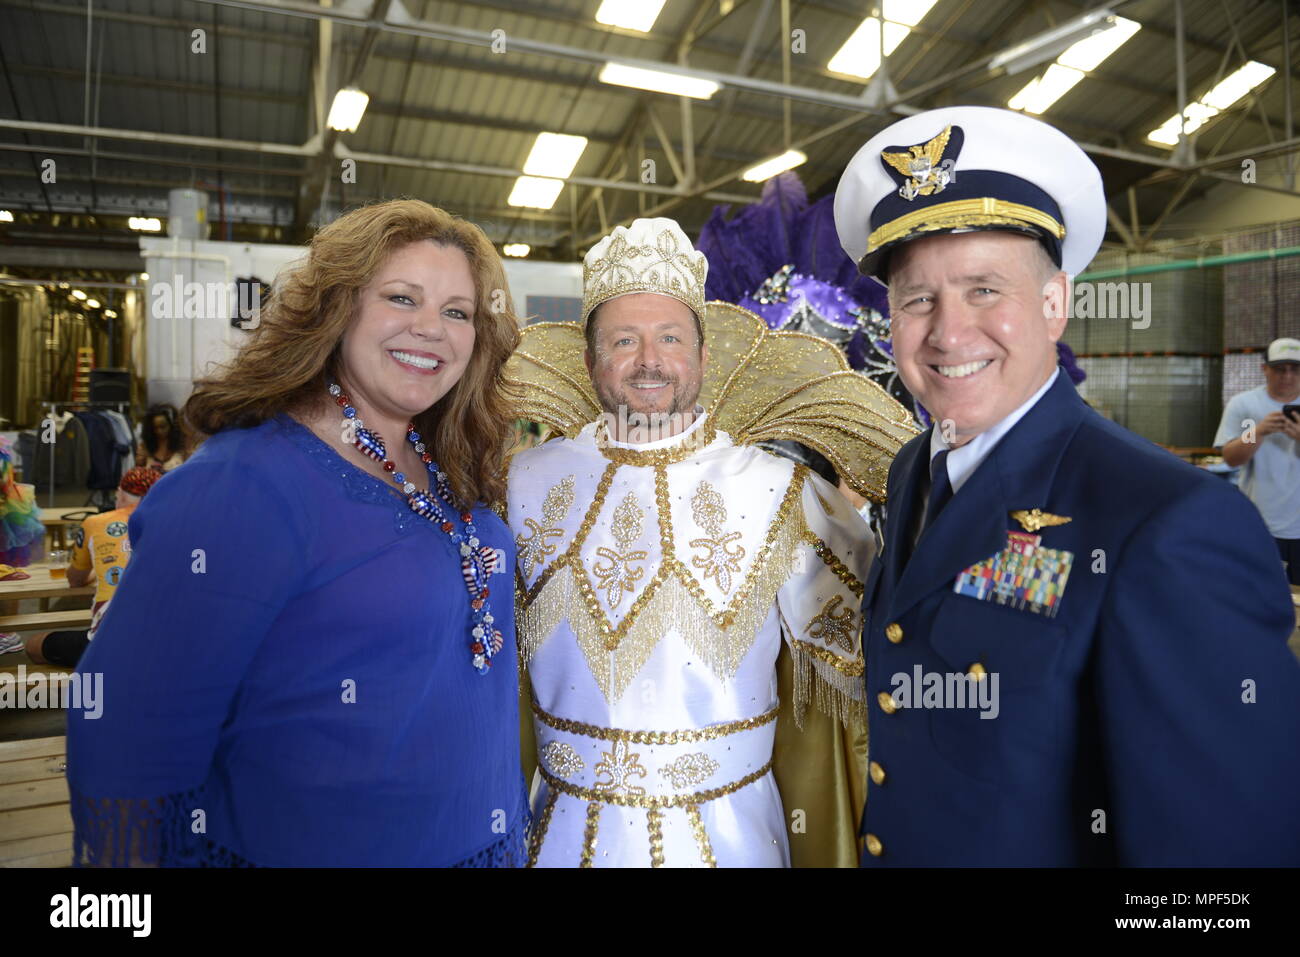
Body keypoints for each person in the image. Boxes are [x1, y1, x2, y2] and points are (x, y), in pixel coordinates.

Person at [834, 105, 1300, 866]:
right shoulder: (913, 470)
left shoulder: (1167, 523)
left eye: (985, 290)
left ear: (1055, 304)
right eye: (918, 298)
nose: (948, 333)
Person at [66, 199, 528, 867]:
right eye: (403, 297)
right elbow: (124, 726)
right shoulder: (246, 482)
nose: (432, 328)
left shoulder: (447, 463)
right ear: (337, 308)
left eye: (457, 311)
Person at [506, 217, 908, 867]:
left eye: (669, 337)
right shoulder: (519, 487)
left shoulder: (786, 493)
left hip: (734, 841)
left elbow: (875, 676)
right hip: (557, 841)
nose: (649, 361)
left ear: (701, 356)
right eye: (623, 341)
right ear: (589, 362)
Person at [25, 466, 163, 668]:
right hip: (163, 638)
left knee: (33, 645)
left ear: (120, 493)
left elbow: (75, 580)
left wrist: (98, 570)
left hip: (109, 641)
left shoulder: (96, 522)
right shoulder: (172, 524)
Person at [1215, 337, 1300, 584]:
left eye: (1295, 369)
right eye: (1279, 369)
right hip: (1261, 523)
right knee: (1259, 592)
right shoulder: (1244, 404)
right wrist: (1258, 432)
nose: (1287, 376)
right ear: (1265, 369)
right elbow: (1230, 458)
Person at [134, 403, 187, 472]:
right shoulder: (145, 446)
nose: (159, 431)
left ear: (171, 425)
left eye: (163, 427)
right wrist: (139, 462)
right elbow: (138, 472)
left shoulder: (182, 445)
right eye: (155, 428)